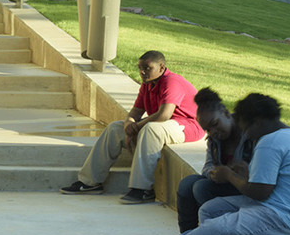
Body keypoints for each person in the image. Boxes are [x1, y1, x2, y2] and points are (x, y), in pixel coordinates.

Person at [123, 94, 290, 235]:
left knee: (215, 229)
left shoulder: (269, 142)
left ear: (257, 122)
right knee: (211, 210)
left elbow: (259, 192)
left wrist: (230, 175)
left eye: (246, 128)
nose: (247, 135)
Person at [61, 50, 202, 196]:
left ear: (161, 67)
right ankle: (89, 182)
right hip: (163, 124)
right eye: (140, 68)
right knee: (115, 128)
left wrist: (136, 127)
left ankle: (142, 189)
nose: (142, 72)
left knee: (151, 129)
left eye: (148, 68)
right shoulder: (147, 85)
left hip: (188, 125)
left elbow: (164, 115)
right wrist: (129, 125)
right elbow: (135, 112)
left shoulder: (171, 82)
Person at [171, 86, 251, 230]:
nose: (213, 132)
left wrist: (234, 172)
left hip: (246, 187)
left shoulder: (249, 134)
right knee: (187, 184)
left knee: (201, 188)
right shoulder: (214, 140)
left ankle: (217, 231)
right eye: (208, 129)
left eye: (215, 124)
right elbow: (207, 167)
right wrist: (215, 173)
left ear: (226, 113)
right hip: (226, 183)